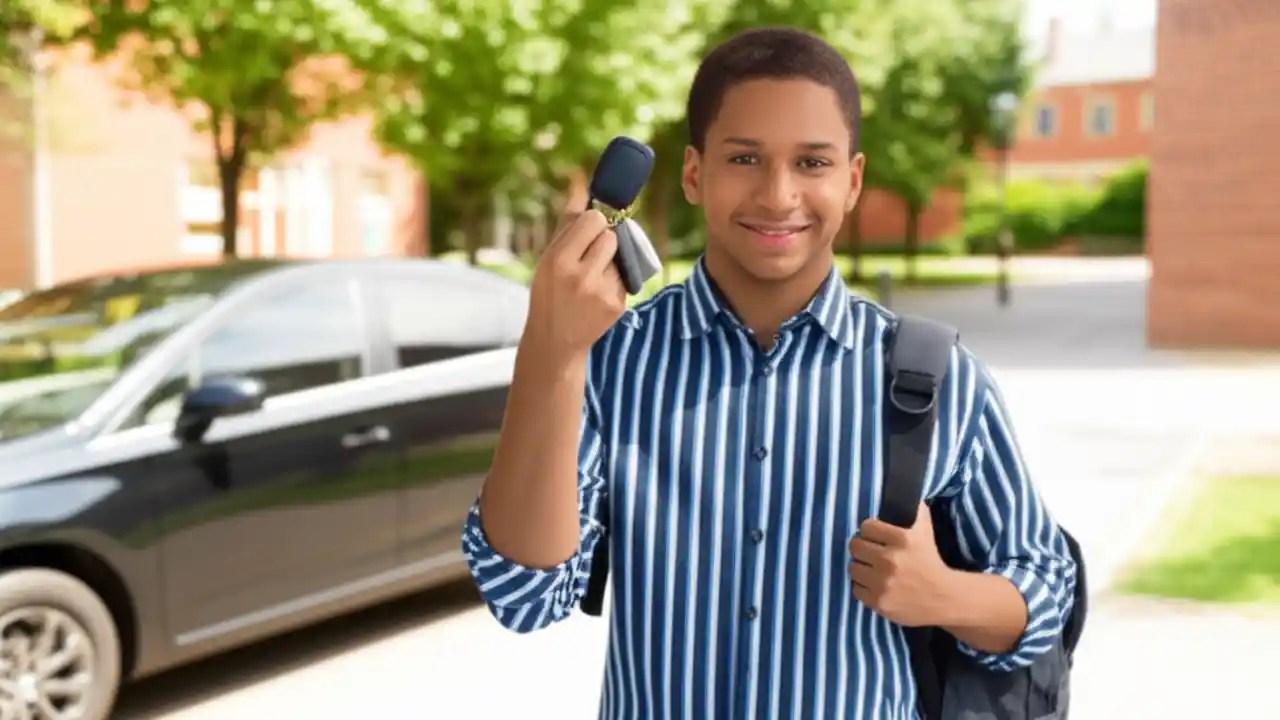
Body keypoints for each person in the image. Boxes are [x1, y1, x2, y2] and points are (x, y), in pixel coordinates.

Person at [462, 26, 1078, 720]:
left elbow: (1045, 587)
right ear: (694, 173)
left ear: (852, 181)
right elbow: (523, 595)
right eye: (746, 157)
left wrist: (945, 596)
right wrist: (551, 351)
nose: (779, 194)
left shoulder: (939, 379)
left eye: (812, 163)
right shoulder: (613, 358)